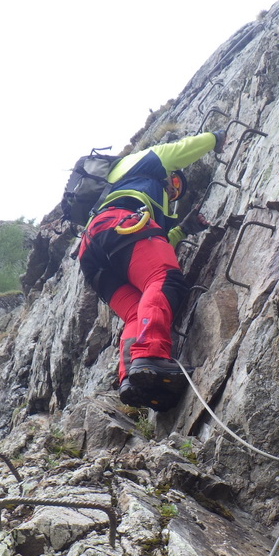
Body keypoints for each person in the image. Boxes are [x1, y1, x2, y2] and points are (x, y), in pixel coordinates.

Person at [78, 130, 225, 411]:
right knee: (164, 280)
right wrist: (216, 138)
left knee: (136, 312)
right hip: (120, 225)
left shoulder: (137, 197)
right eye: (175, 184)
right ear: (170, 175)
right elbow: (179, 151)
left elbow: (145, 248)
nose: (173, 191)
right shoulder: (143, 163)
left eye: (177, 193)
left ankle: (131, 379)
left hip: (95, 252)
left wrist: (182, 230)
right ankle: (150, 355)